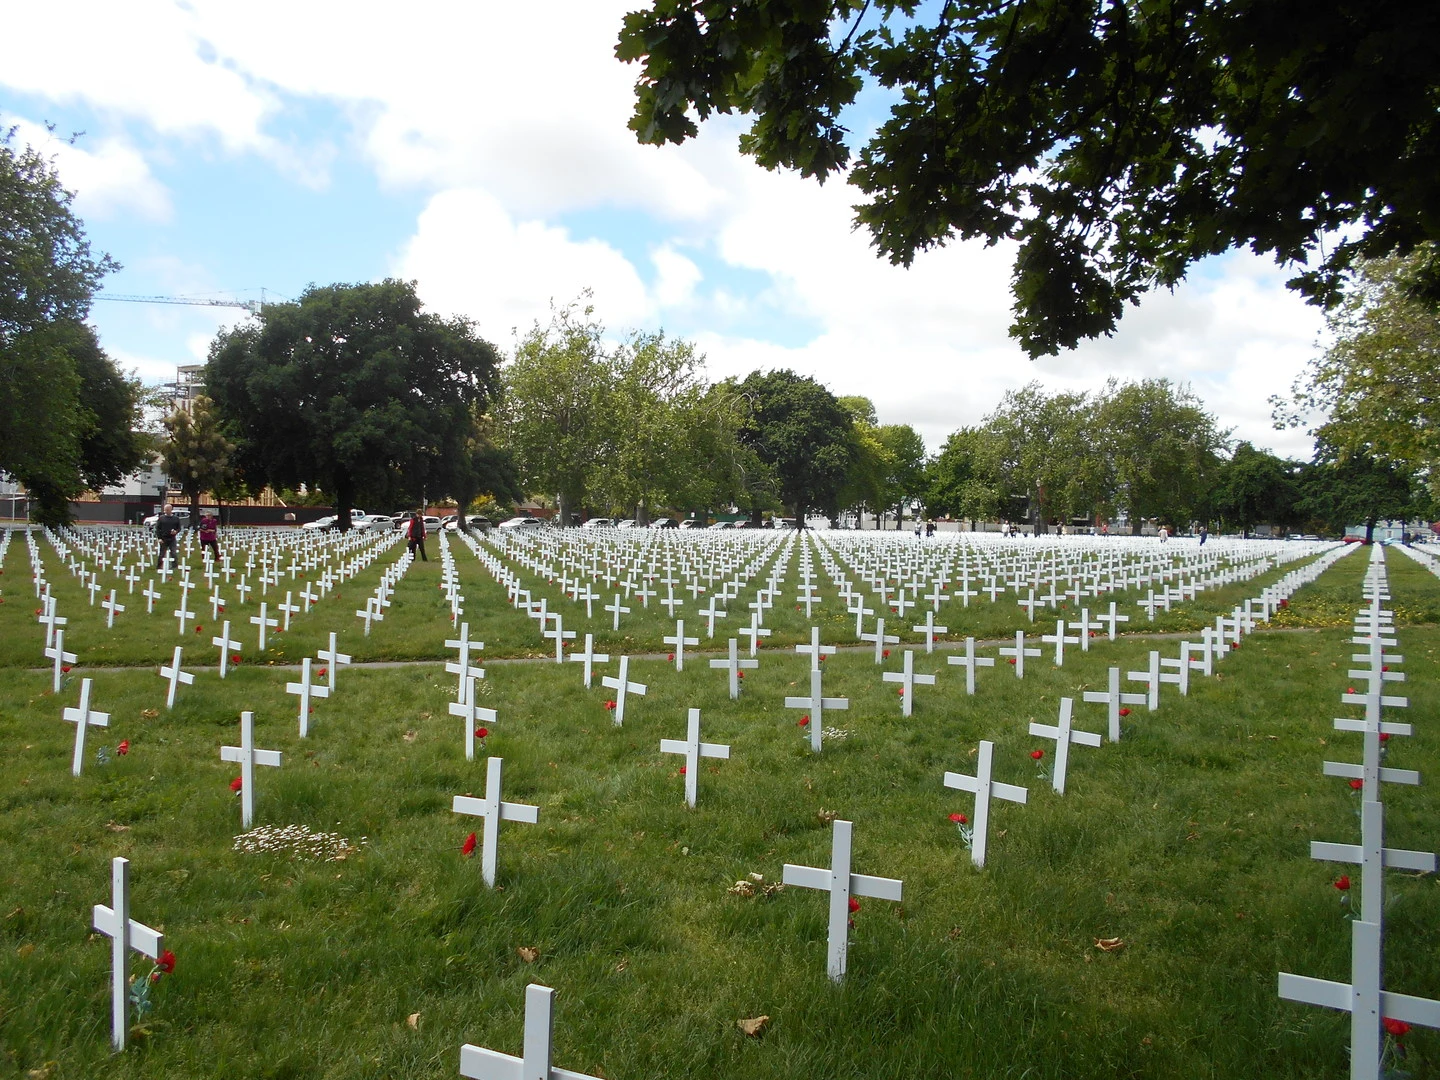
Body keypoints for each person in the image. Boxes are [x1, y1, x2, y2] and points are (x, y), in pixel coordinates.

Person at [154, 504, 181, 570]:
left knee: (173, 553)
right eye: (165, 510)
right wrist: (159, 538)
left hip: (172, 538)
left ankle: (174, 566)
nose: (166, 511)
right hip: (163, 538)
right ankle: (159, 566)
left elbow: (179, 528)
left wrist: (176, 531)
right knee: (162, 553)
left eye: (167, 510)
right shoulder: (161, 518)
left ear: (171, 510)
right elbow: (157, 529)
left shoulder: (176, 518)